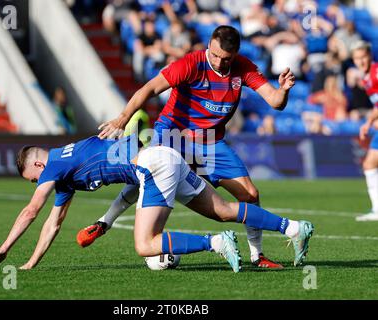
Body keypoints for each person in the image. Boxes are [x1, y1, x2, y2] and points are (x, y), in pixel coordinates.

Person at [83, 25, 297, 269]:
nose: (218, 61)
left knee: (250, 195)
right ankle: (105, 221)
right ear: (209, 46)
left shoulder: (243, 68)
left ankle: (257, 256)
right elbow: (149, 88)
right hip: (173, 136)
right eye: (214, 54)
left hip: (211, 143)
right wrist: (121, 119)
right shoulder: (191, 64)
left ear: (235, 54)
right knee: (146, 176)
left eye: (225, 58)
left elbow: (275, 101)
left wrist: (284, 90)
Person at [0, 135, 314, 271]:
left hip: (153, 165)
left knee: (144, 245)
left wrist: (5, 247)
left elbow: (32, 210)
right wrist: (31, 263)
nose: (39, 184)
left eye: (34, 180)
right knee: (225, 210)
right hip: (164, 159)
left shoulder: (54, 166)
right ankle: (294, 227)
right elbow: (53, 221)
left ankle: (214, 244)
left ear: (37, 166)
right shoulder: (69, 167)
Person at [350, 41, 378, 221]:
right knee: (369, 164)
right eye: (357, 58)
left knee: (370, 163)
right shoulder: (366, 78)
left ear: (370, 57)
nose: (361, 61)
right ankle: (377, 209)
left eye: (363, 57)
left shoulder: (376, 72)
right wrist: (369, 122)